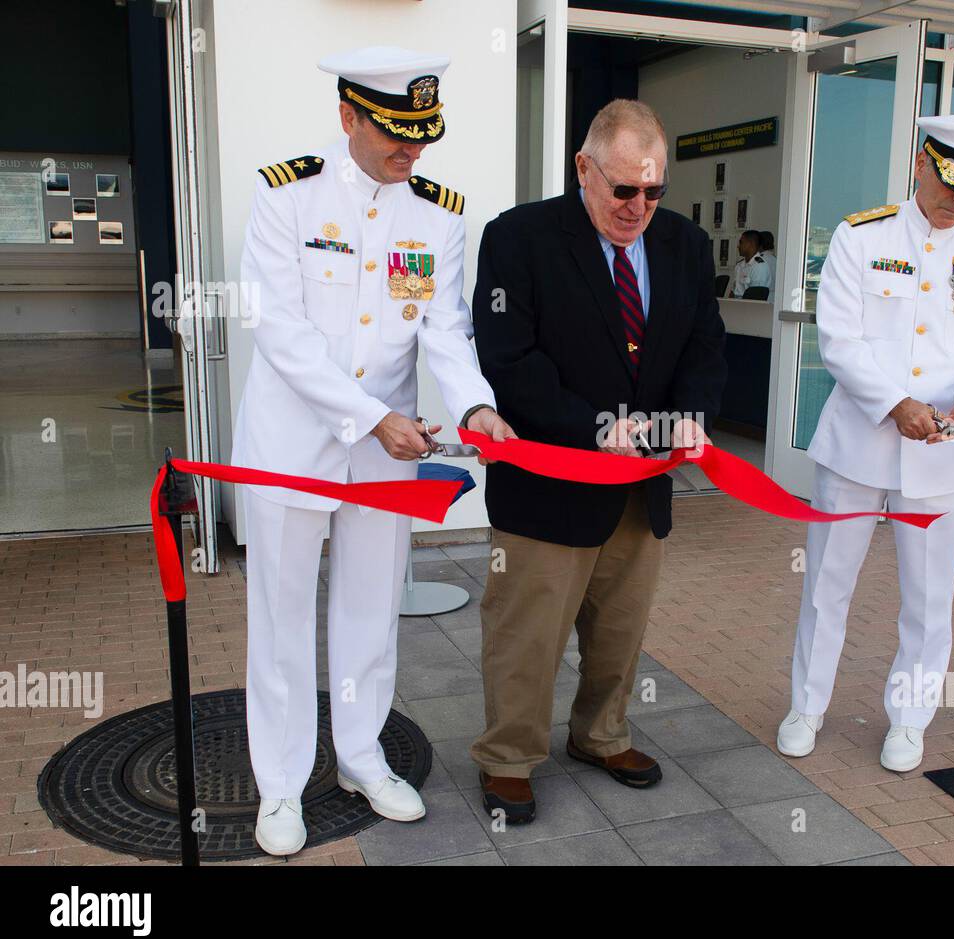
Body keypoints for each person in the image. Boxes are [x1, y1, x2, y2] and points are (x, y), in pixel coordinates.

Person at [233, 46, 515, 856]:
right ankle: (280, 784)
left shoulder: (438, 214)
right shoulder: (286, 194)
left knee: (368, 612)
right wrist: (369, 415)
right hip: (292, 446)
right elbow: (279, 331)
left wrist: (476, 405)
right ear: (348, 115)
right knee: (281, 622)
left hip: (383, 458)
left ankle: (361, 755)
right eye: (396, 132)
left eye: (423, 134)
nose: (412, 150)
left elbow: (446, 331)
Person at [469, 99, 727, 824]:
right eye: (623, 190)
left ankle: (602, 734)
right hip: (549, 485)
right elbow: (509, 359)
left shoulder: (683, 244)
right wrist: (597, 427)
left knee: (619, 630)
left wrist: (687, 422)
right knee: (529, 634)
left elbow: (705, 347)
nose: (638, 206)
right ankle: (509, 758)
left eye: (653, 192)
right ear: (584, 168)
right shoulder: (518, 238)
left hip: (641, 489)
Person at [776, 115, 954, 773]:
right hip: (858, 448)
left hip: (941, 456)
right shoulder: (861, 236)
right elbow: (839, 338)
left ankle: (909, 721)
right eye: (951, 183)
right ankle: (807, 706)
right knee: (826, 587)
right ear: (922, 164)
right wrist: (895, 404)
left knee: (928, 600)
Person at [731, 229, 772, 300]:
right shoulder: (739, 265)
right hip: (736, 305)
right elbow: (733, 292)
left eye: (741, 242)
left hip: (749, 308)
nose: (738, 246)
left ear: (750, 244)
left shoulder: (759, 266)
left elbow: (755, 298)